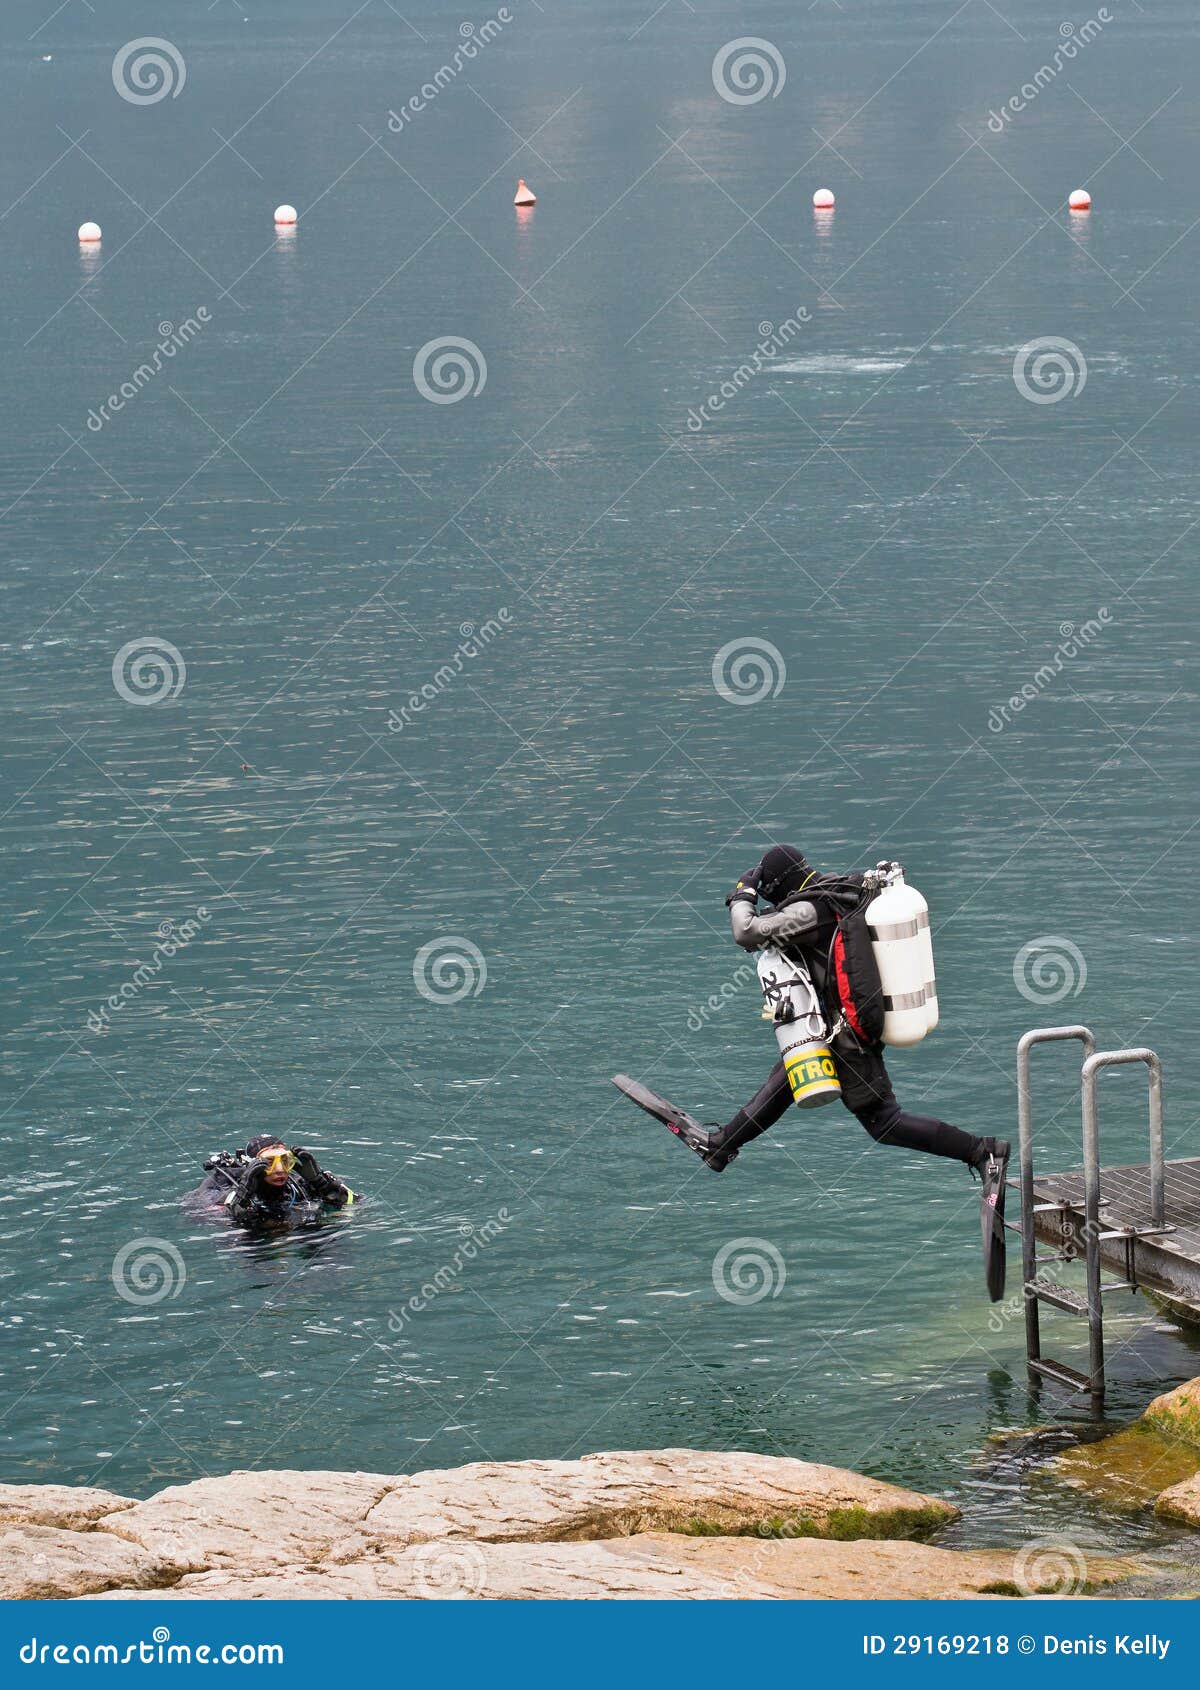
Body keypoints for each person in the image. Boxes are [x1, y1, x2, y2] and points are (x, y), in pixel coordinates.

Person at [615, 844, 1011, 1298]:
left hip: (846, 1039)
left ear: (777, 885)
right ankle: (721, 1146)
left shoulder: (808, 910)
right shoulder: (830, 894)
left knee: (884, 1123)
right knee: (790, 1072)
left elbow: (746, 932)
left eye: (767, 890)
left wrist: (741, 893)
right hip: (828, 1030)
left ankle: (984, 1152)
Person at [193, 1135, 358, 1227]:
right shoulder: (223, 1181)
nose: (280, 1170)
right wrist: (243, 1192)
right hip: (251, 1238)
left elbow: (355, 1202)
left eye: (285, 1161)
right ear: (252, 1164)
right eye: (269, 1162)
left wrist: (320, 1183)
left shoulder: (296, 1183)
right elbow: (196, 1215)